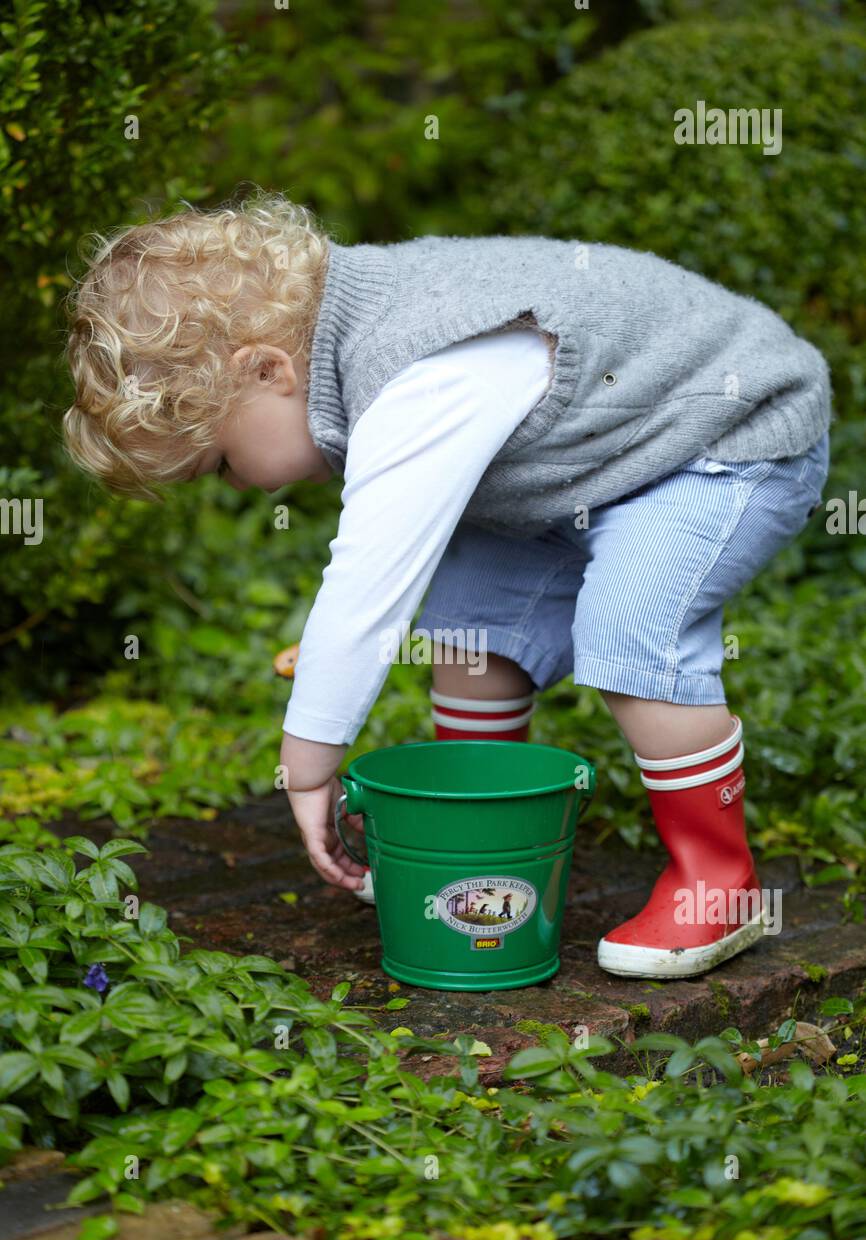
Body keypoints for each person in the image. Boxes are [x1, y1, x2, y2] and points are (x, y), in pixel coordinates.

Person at [62, 190, 832, 979]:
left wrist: (308, 759)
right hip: (586, 465)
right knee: (469, 632)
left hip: (715, 437)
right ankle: (471, 840)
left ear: (267, 368)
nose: (233, 486)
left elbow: (371, 582)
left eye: (219, 463)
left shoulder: (417, 372)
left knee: (631, 632)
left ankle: (718, 885)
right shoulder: (351, 344)